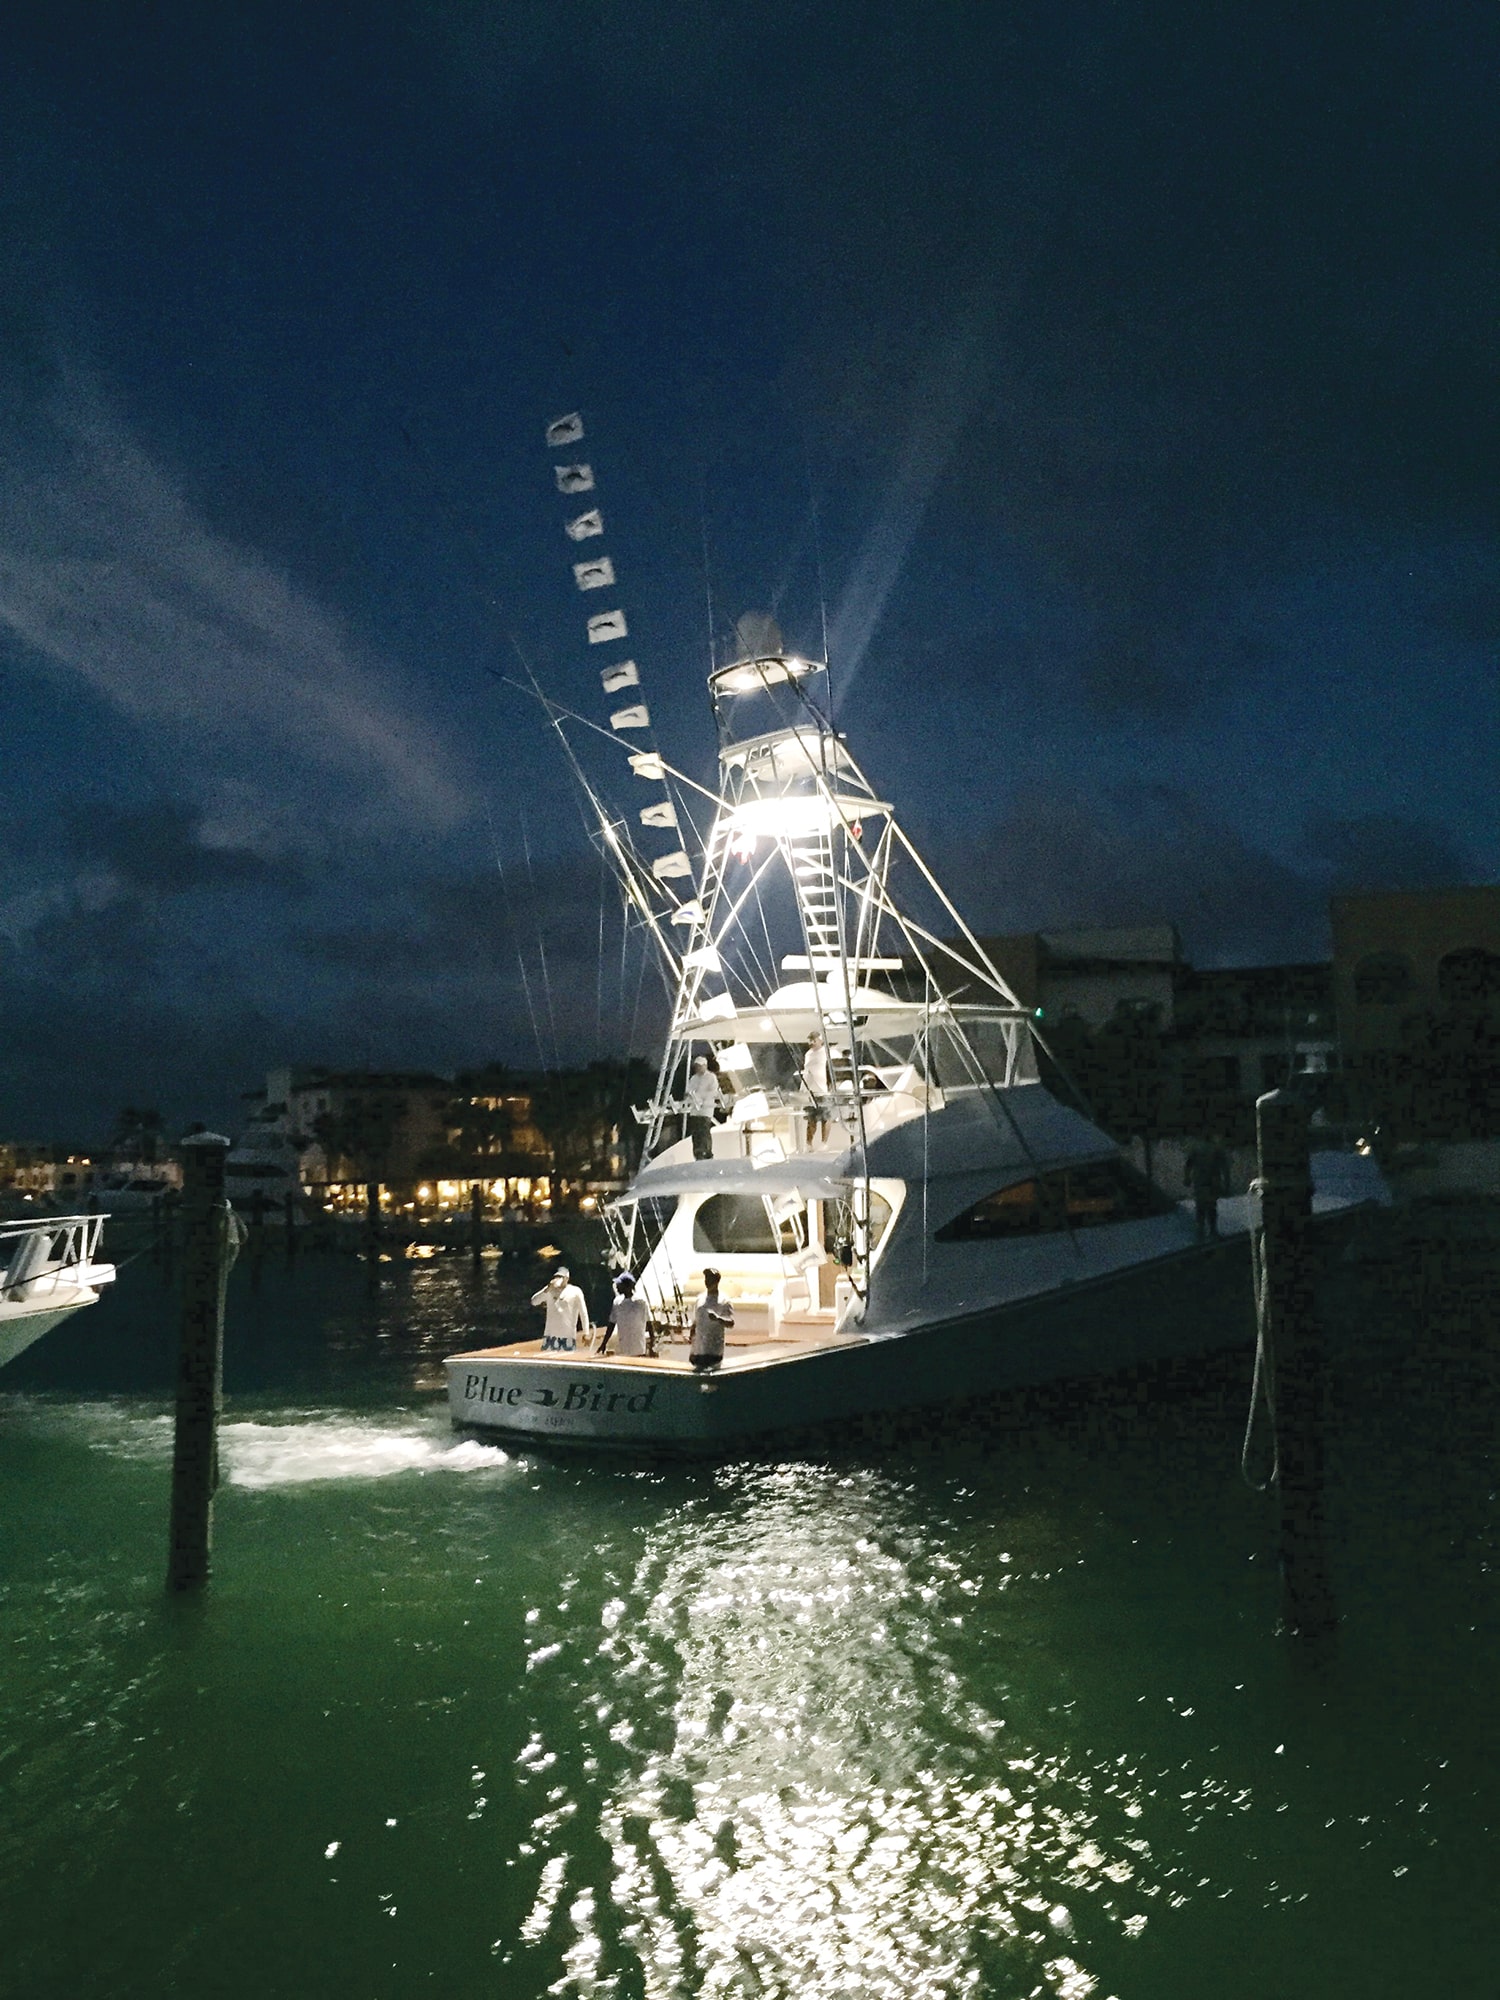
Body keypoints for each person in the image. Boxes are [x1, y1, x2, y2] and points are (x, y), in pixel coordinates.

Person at [1184, 1135, 1232, 1242]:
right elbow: (1224, 1167)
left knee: (1200, 1206)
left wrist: (1187, 1178)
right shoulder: (1216, 1149)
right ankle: (1212, 1231)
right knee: (1211, 1207)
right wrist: (1227, 1183)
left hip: (1200, 1182)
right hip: (1212, 1182)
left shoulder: (1196, 1148)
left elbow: (1188, 1164)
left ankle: (1201, 1230)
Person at [531, 1264, 589, 1351]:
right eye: (556, 1276)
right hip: (550, 1336)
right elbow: (534, 1301)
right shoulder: (549, 1290)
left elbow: (583, 1313)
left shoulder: (575, 1291)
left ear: (567, 1278)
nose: (558, 1279)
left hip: (567, 1337)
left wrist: (586, 1332)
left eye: (561, 1277)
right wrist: (547, 1289)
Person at [689, 1267, 734, 1372]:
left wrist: (718, 1318)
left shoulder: (725, 1300)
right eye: (706, 1279)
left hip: (714, 1350)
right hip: (698, 1350)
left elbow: (731, 1323)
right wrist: (691, 1336)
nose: (707, 1282)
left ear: (717, 1281)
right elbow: (695, 1321)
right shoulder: (699, 1298)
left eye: (710, 1279)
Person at [598, 1271, 649, 1357]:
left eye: (619, 1284)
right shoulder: (617, 1302)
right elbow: (611, 1324)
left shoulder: (641, 1302)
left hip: (638, 1349)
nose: (617, 1287)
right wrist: (604, 1343)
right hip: (623, 1348)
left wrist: (652, 1346)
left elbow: (649, 1323)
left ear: (627, 1286)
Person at [685, 1055, 721, 1161]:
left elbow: (713, 1092)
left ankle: (707, 1152)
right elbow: (688, 1091)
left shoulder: (711, 1077)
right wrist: (691, 1099)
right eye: (696, 1066)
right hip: (694, 1110)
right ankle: (697, 1153)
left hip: (706, 1109)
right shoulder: (694, 1078)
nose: (698, 1068)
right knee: (696, 1132)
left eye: (700, 1066)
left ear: (705, 1066)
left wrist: (702, 1099)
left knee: (704, 1131)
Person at [802, 1030, 831, 1146]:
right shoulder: (808, 1054)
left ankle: (824, 1143)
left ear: (820, 1040)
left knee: (826, 1117)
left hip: (823, 1091)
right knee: (811, 1119)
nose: (811, 1043)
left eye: (814, 1040)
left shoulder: (826, 1053)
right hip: (809, 1091)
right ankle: (809, 1144)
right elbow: (806, 1072)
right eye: (810, 1040)